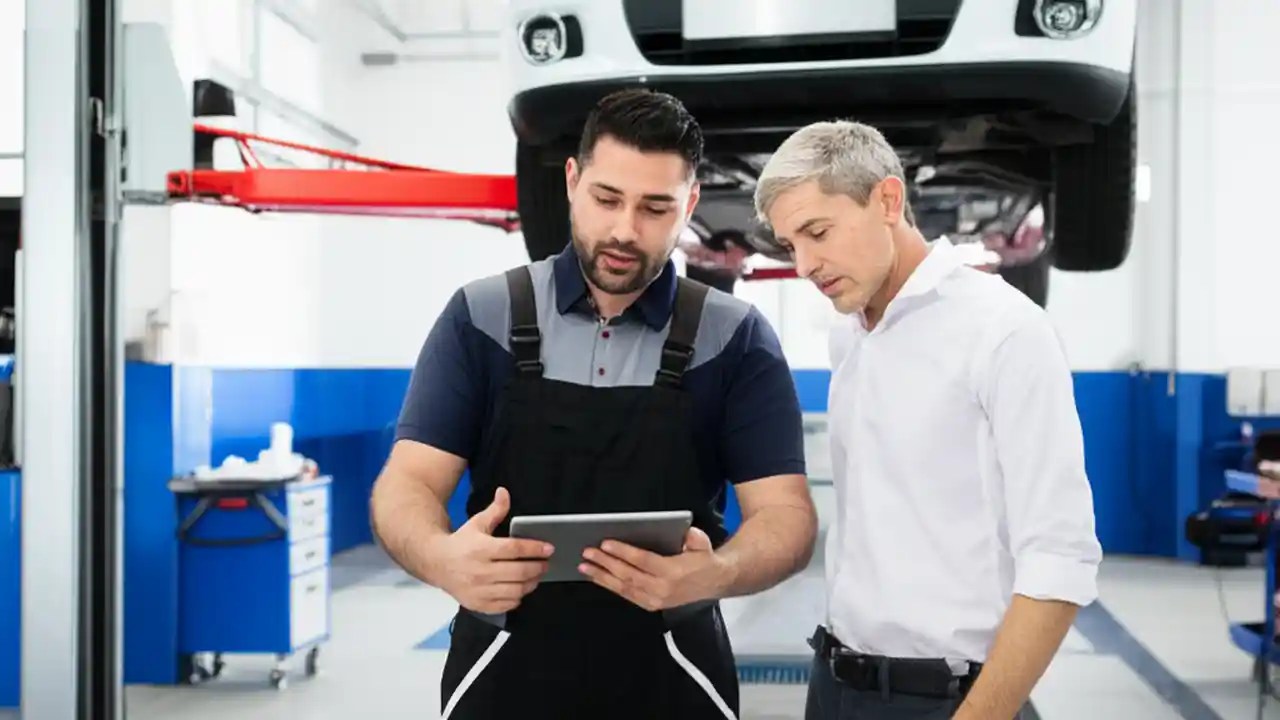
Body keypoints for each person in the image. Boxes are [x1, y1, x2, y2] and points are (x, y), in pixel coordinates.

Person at [370, 88, 818, 720]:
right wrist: (444, 559)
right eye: (608, 199)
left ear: (688, 205)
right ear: (573, 182)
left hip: (676, 676)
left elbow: (787, 518)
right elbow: (407, 484)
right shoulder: (480, 316)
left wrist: (717, 571)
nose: (624, 231)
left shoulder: (734, 338)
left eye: (655, 208)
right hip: (502, 671)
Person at [753, 120, 1102, 720]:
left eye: (817, 232)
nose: (805, 265)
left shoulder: (1003, 331)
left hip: (948, 699)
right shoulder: (851, 337)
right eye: (791, 245)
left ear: (887, 200)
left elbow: (1060, 559)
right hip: (834, 684)